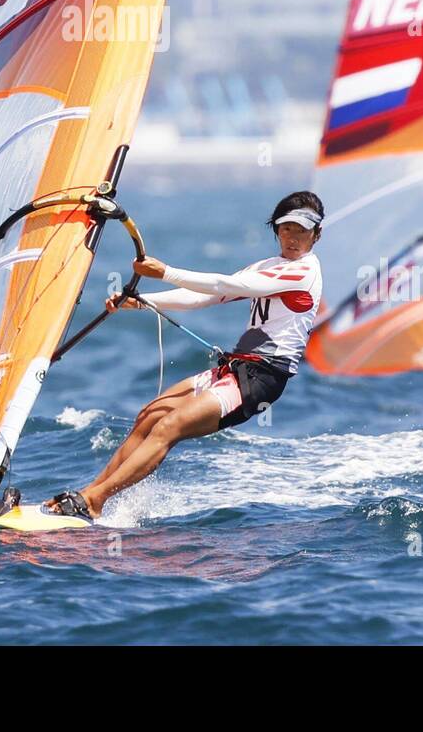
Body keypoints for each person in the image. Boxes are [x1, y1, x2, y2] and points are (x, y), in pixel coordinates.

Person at [43, 190, 325, 522]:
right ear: (276, 230)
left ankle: (93, 501)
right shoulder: (267, 267)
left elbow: (219, 281)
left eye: (302, 230)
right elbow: (209, 296)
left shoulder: (303, 271)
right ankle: (89, 493)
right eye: (286, 228)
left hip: (261, 380)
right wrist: (145, 301)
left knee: (169, 426)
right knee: (149, 417)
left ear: (316, 235)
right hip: (235, 370)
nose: (293, 237)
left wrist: (166, 271)